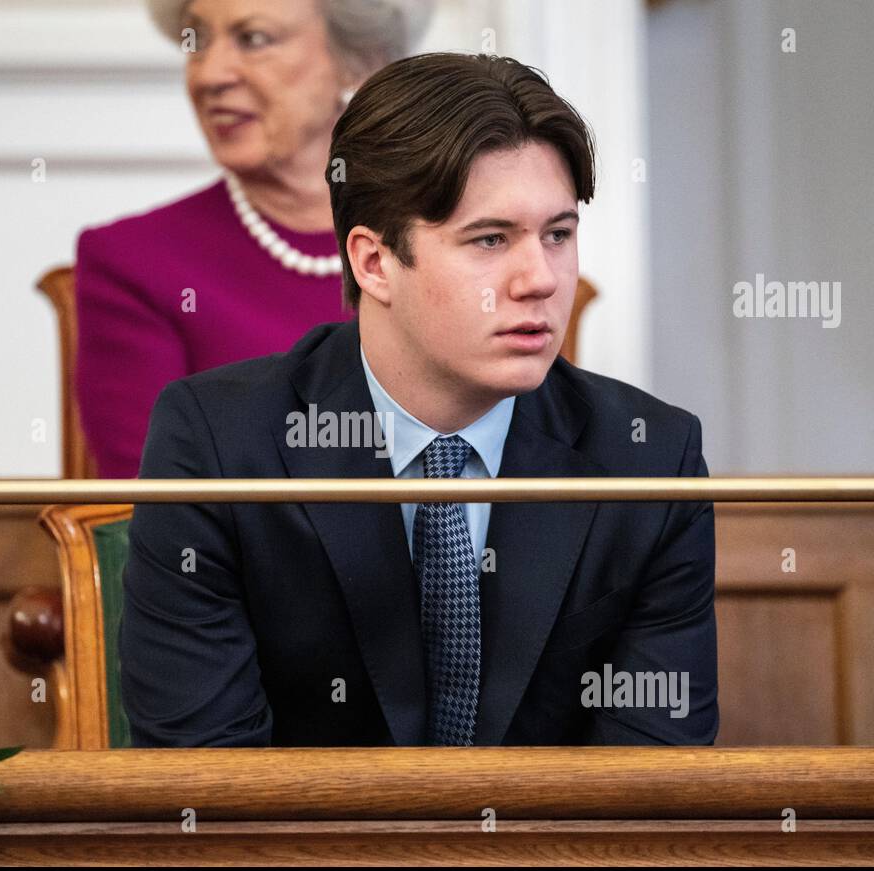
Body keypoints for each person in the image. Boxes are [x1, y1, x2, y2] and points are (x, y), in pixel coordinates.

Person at [120, 52, 719, 747]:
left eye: (558, 235)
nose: (542, 280)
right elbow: (205, 778)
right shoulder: (218, 442)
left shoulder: (650, 456)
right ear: (373, 262)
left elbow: (650, 786)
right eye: (491, 240)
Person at [74, 0, 435, 477]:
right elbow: (150, 510)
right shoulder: (134, 261)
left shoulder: (450, 240)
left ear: (358, 61)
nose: (209, 75)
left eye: (254, 39)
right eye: (198, 41)